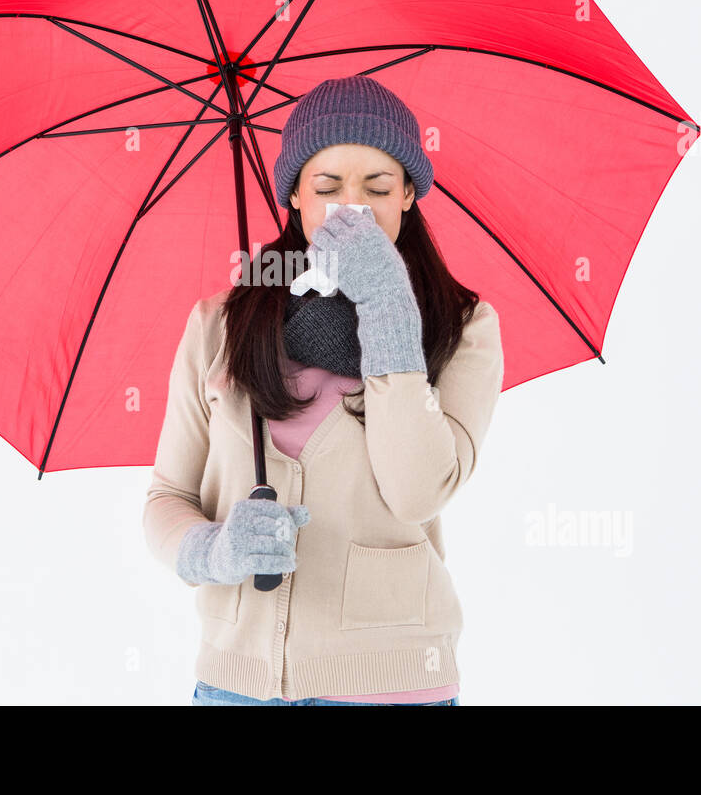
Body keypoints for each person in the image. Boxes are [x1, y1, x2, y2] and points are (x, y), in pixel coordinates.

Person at [142, 74, 504, 705]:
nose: (350, 208)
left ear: (410, 194)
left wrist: (389, 308)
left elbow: (418, 492)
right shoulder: (220, 324)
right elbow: (167, 498)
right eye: (327, 186)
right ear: (295, 198)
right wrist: (215, 551)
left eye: (378, 187)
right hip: (235, 688)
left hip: (392, 686)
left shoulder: (462, 326)